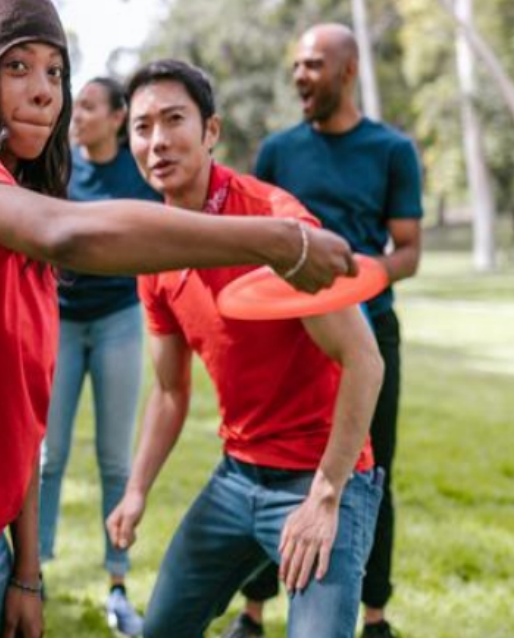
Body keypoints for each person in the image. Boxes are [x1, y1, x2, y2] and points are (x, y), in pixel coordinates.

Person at [0, 0, 358, 638]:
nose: (44, 89)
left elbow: (22, 418)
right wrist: (276, 240)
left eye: (55, 70)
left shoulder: (22, 231)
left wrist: (27, 570)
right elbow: (70, 234)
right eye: (17, 67)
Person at [106, 58, 386, 638]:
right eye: (141, 126)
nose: (157, 140)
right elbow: (168, 391)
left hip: (323, 477)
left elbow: (364, 359)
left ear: (211, 131)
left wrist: (326, 498)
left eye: (174, 119)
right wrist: (136, 490)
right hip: (238, 477)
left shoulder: (277, 228)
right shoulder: (154, 255)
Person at [224, 24, 422, 638]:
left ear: (348, 70)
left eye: (313, 65)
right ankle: (254, 611)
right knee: (269, 467)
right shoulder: (279, 151)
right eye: (296, 67)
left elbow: (409, 250)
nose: (300, 77)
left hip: (370, 332)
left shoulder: (392, 150)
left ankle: (375, 616)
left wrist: (356, 282)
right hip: (289, 340)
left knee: (372, 470)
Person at [38, 76, 160, 636]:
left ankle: (117, 584)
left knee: (115, 460)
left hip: (118, 321)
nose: (76, 115)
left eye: (88, 106)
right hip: (59, 321)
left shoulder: (139, 174)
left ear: (117, 117)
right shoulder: (55, 164)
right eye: (76, 106)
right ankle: (30, 575)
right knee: (49, 455)